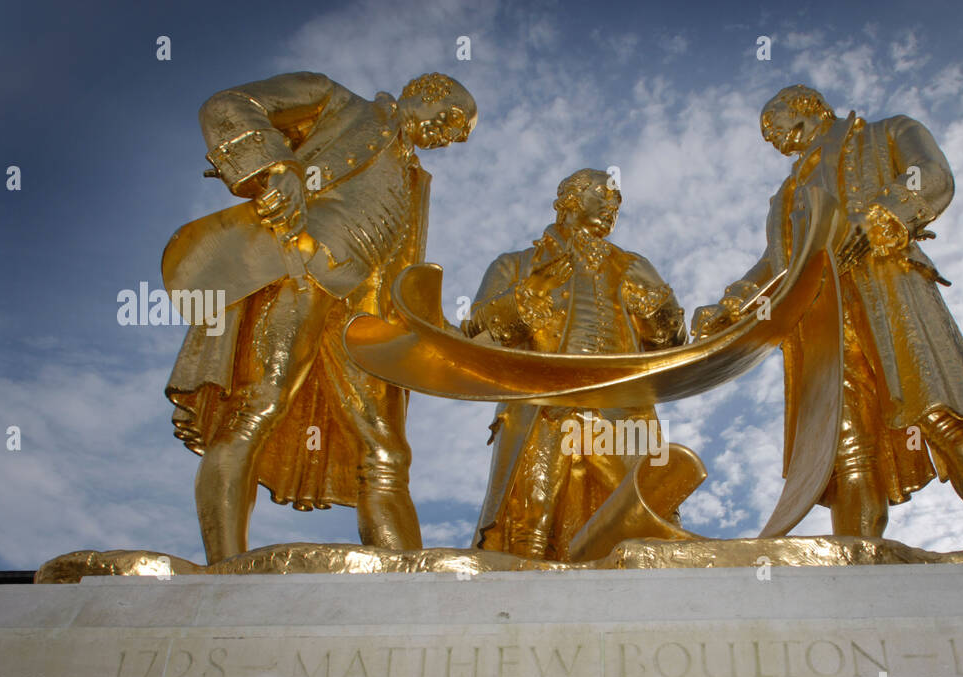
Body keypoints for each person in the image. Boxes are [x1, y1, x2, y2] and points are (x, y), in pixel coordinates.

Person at [164, 70, 476, 562]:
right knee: (256, 408)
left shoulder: (415, 180)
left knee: (388, 452)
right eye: (454, 119)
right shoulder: (336, 102)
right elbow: (227, 102)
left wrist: (460, 337)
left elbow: (402, 279)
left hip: (364, 317)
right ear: (426, 94)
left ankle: (411, 588)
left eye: (460, 133)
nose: (454, 136)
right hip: (298, 267)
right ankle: (225, 573)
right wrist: (276, 169)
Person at [694, 84, 963, 545]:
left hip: (886, 282)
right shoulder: (787, 195)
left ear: (806, 107)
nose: (771, 137)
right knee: (845, 448)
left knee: (941, 410)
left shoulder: (888, 131)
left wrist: (876, 218)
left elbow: (929, 175)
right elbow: (779, 263)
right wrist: (735, 301)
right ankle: (857, 576)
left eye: (774, 122)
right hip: (819, 317)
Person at [463, 169, 686, 560]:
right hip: (542, 404)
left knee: (644, 515)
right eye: (602, 195)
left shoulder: (632, 266)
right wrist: (527, 297)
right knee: (530, 515)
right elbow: (475, 337)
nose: (612, 206)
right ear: (569, 199)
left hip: (622, 408)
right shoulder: (516, 264)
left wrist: (658, 301)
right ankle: (514, 608)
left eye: (616, 202)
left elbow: (671, 343)